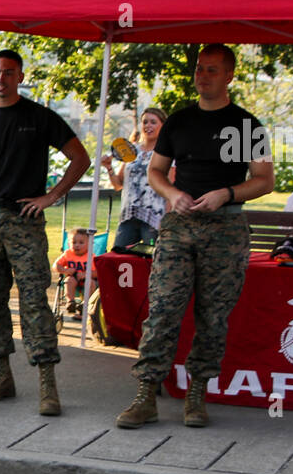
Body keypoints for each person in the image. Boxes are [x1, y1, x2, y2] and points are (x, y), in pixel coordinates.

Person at [116, 44, 274, 429]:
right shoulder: (179, 123)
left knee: (213, 314)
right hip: (180, 226)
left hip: (226, 227)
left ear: (230, 76)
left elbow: (265, 180)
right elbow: (155, 171)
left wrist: (228, 193)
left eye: (213, 70)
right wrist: (172, 194)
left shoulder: (245, 125)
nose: (203, 76)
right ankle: (146, 393)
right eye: (200, 69)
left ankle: (197, 393)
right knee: (164, 308)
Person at [0, 48, 92, 415]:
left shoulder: (39, 118)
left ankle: (48, 384)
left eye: (9, 73)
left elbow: (81, 158)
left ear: (20, 77)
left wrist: (52, 196)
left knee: (34, 303)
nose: (1, 79)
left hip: (24, 222)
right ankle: (3, 377)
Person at [102, 108, 169, 248]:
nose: (148, 126)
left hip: (154, 218)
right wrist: (109, 167)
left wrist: (168, 218)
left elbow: (171, 186)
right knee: (119, 256)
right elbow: (118, 185)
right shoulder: (132, 151)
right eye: (145, 122)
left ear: (162, 126)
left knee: (150, 260)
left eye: (153, 122)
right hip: (129, 215)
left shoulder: (166, 152)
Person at [53, 228, 95, 318]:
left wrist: (86, 274)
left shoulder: (91, 256)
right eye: (74, 242)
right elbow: (55, 266)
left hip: (87, 280)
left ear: (89, 244)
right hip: (73, 278)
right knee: (68, 281)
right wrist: (65, 270)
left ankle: (84, 305)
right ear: (69, 244)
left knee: (90, 283)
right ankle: (71, 302)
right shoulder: (67, 254)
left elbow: (97, 273)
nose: (77, 245)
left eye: (81, 242)